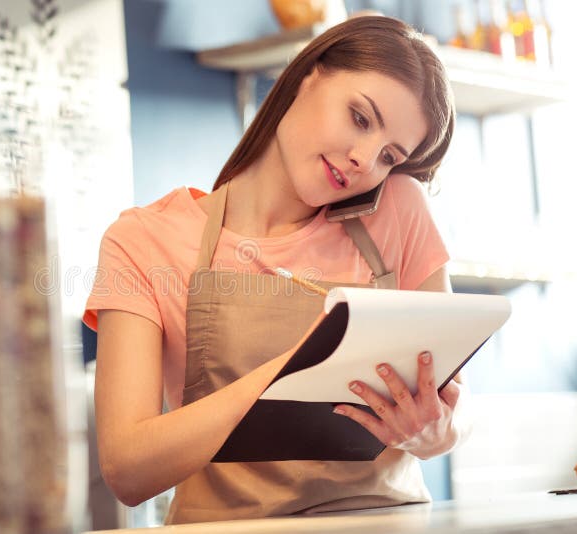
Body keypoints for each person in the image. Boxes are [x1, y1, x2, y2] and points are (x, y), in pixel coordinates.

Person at [83, 15, 469, 524]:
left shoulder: (398, 210)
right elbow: (127, 470)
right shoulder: (141, 241)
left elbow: (449, 419)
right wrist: (297, 366)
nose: (363, 161)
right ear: (309, 73)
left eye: (388, 155)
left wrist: (429, 431)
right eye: (359, 117)